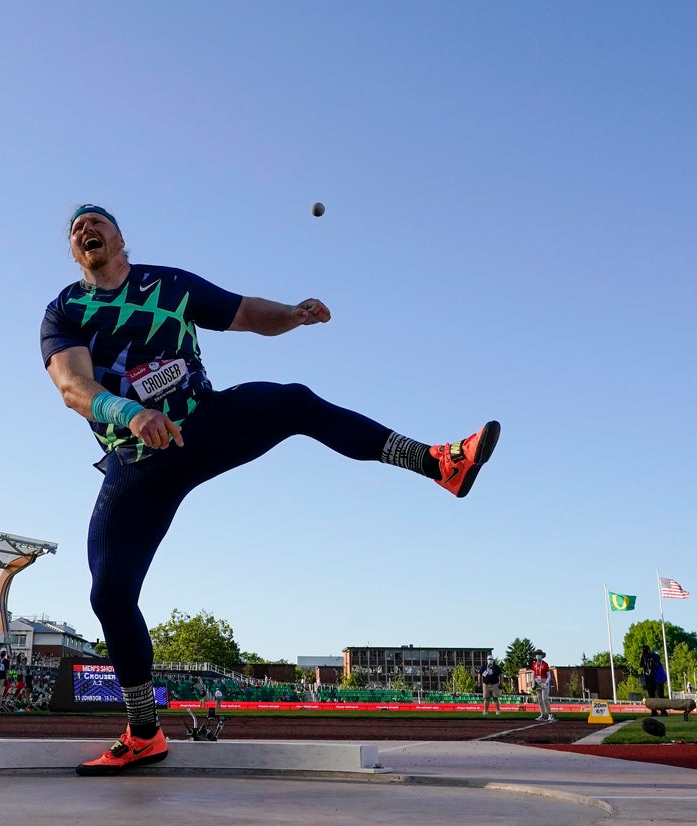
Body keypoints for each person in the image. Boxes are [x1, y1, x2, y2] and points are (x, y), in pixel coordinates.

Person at [41, 204, 502, 775]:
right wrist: (131, 413)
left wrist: (293, 315)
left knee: (293, 402)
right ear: (73, 251)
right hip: (135, 459)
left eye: (96, 222)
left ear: (120, 236)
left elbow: (244, 312)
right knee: (109, 595)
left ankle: (437, 463)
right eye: (76, 229)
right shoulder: (66, 309)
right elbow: (73, 386)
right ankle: (144, 733)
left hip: (200, 426)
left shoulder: (168, 284)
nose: (86, 230)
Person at [639, 644, 668, 713]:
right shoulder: (644, 657)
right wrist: (643, 656)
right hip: (649, 678)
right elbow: (641, 664)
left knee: (659, 695)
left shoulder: (654, 656)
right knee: (651, 695)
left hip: (657, 678)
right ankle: (654, 710)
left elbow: (657, 664)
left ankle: (663, 710)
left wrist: (651, 659)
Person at [531, 649, 554, 722]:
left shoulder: (545, 664)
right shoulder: (534, 664)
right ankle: (542, 714)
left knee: (545, 699)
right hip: (537, 682)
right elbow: (533, 675)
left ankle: (550, 714)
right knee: (540, 699)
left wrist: (546, 683)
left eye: (539, 654)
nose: (538, 656)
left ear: (542, 656)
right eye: (537, 655)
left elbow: (549, 676)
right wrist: (533, 684)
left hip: (544, 681)